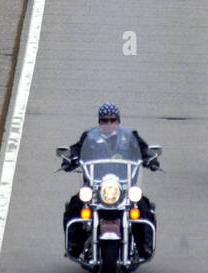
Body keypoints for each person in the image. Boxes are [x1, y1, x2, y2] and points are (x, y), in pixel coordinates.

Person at [61, 103, 159, 259]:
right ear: (99, 122)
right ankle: (74, 246)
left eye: (112, 120)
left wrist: (150, 158)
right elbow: (77, 149)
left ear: (118, 121)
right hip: (96, 186)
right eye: (105, 120)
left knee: (143, 207)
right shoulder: (90, 137)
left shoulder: (129, 138)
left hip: (124, 186)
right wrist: (69, 158)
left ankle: (144, 247)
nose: (108, 124)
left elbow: (143, 149)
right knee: (75, 206)